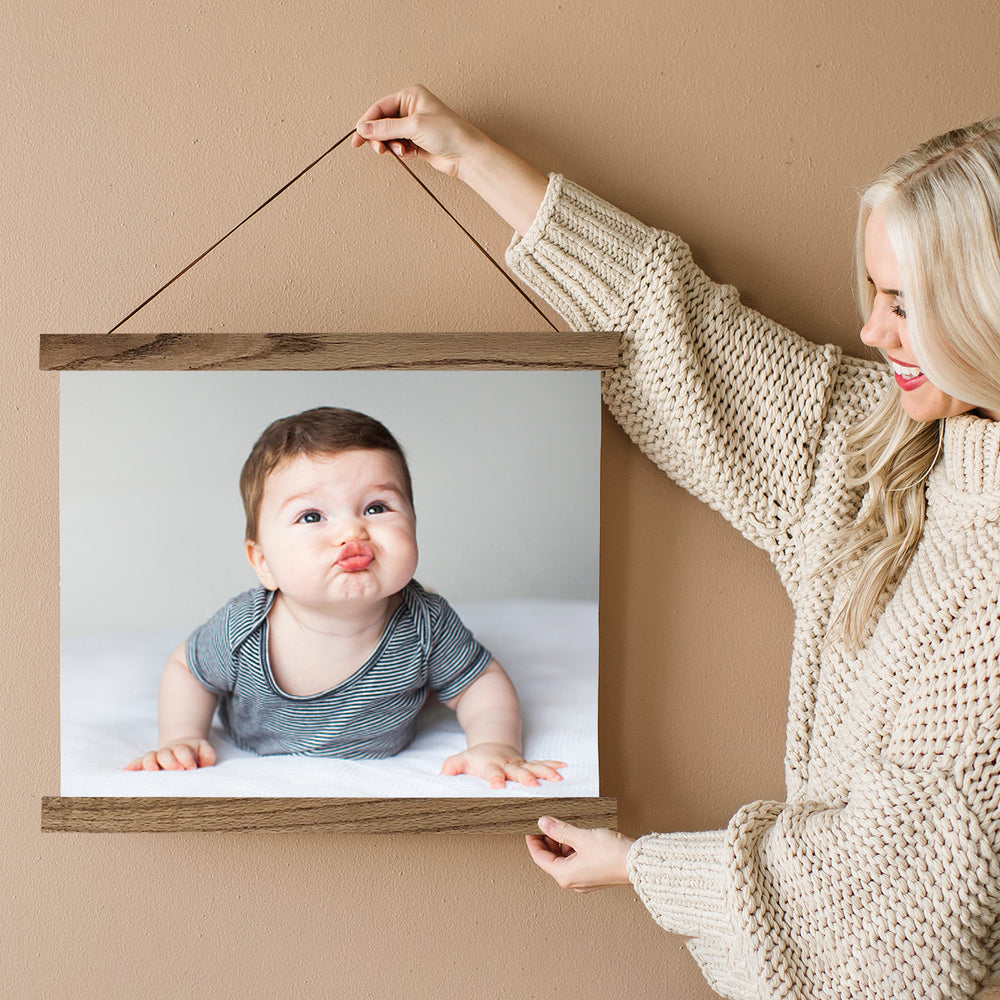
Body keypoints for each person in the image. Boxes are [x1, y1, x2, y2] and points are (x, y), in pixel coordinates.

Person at [354, 87, 1000, 998]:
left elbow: (893, 913)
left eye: (904, 303)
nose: (870, 330)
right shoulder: (891, 445)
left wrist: (639, 867)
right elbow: (689, 340)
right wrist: (472, 158)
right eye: (874, 293)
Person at [125, 405, 567, 790]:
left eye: (376, 508)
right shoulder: (243, 629)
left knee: (448, 658)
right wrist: (181, 736)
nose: (352, 531)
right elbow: (188, 670)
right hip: (254, 743)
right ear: (263, 562)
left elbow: (481, 682)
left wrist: (494, 743)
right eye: (311, 516)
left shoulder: (425, 623)